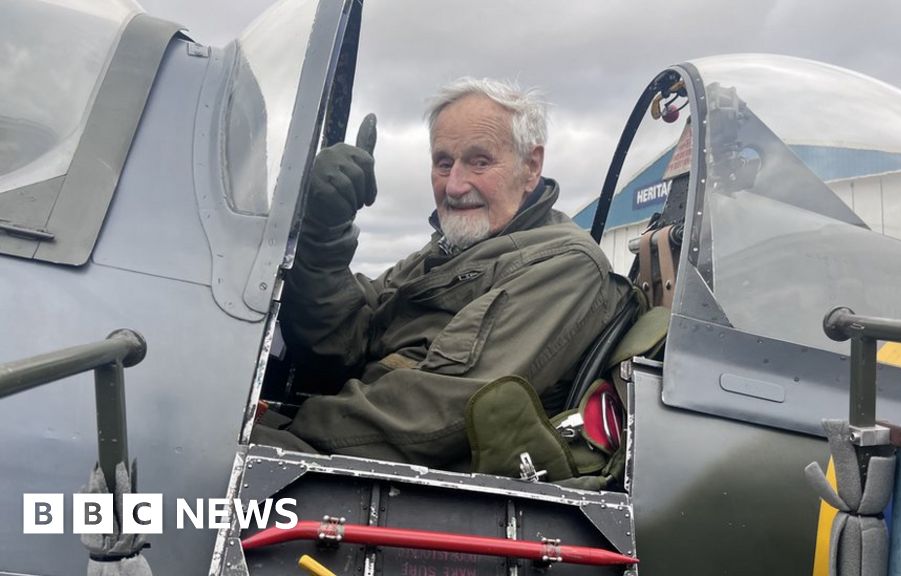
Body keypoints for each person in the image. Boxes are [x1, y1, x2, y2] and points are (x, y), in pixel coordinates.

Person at [254, 78, 629, 470]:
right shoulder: (450, 250)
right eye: (443, 162)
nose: (454, 185)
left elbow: (440, 414)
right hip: (348, 440)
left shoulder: (564, 265)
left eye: (479, 161)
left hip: (395, 479)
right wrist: (323, 236)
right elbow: (343, 345)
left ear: (531, 166)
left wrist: (285, 428)